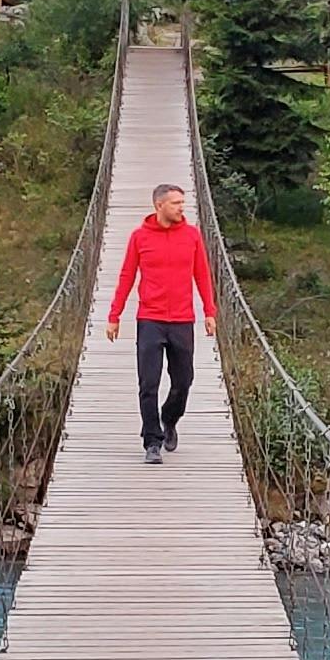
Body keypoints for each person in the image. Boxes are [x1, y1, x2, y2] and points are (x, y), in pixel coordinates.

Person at [105, 179, 216, 462]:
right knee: (148, 383)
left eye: (182, 203)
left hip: (182, 319)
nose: (182, 208)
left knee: (184, 380)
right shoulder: (140, 238)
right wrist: (114, 315)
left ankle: (169, 417)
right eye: (176, 203)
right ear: (159, 205)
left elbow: (202, 275)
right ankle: (151, 442)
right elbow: (127, 276)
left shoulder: (191, 236)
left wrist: (209, 311)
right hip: (150, 319)